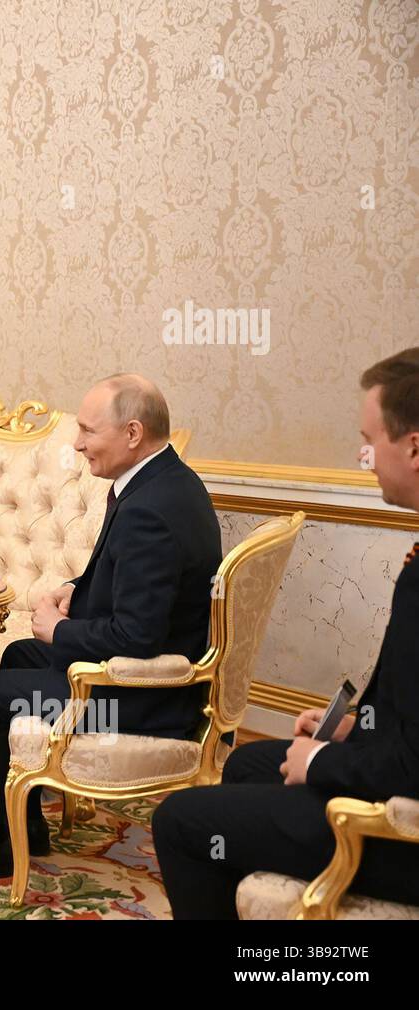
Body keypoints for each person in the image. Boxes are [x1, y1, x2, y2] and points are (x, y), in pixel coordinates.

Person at [152, 350, 419, 917]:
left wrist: (320, 764)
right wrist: (353, 727)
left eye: (370, 439)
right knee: (249, 764)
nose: (360, 454)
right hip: (396, 769)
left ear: (414, 447)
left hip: (403, 832)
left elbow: (413, 766)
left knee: (180, 821)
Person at [0, 373, 221, 882]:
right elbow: (133, 580)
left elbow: (137, 638)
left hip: (136, 699)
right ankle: (25, 821)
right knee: (20, 656)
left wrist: (58, 633)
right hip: (145, 678)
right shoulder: (164, 482)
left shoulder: (149, 509)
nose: (77, 443)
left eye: (88, 431)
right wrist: (75, 589)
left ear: (132, 433)